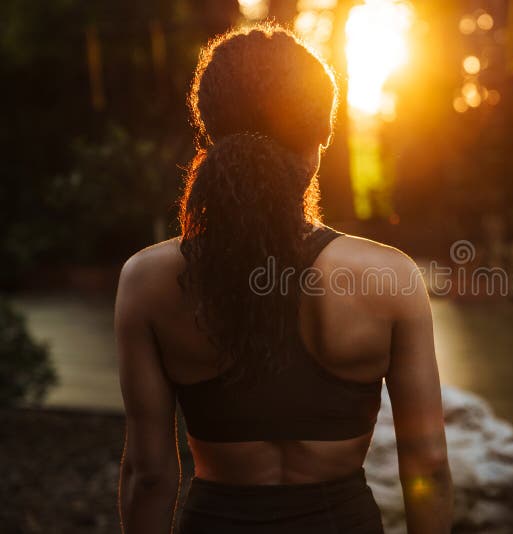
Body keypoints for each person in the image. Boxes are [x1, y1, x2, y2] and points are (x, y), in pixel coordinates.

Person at [114, 23, 452, 534]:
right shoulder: (391, 278)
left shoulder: (147, 281)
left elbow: (150, 475)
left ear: (209, 130)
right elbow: (427, 466)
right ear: (321, 137)